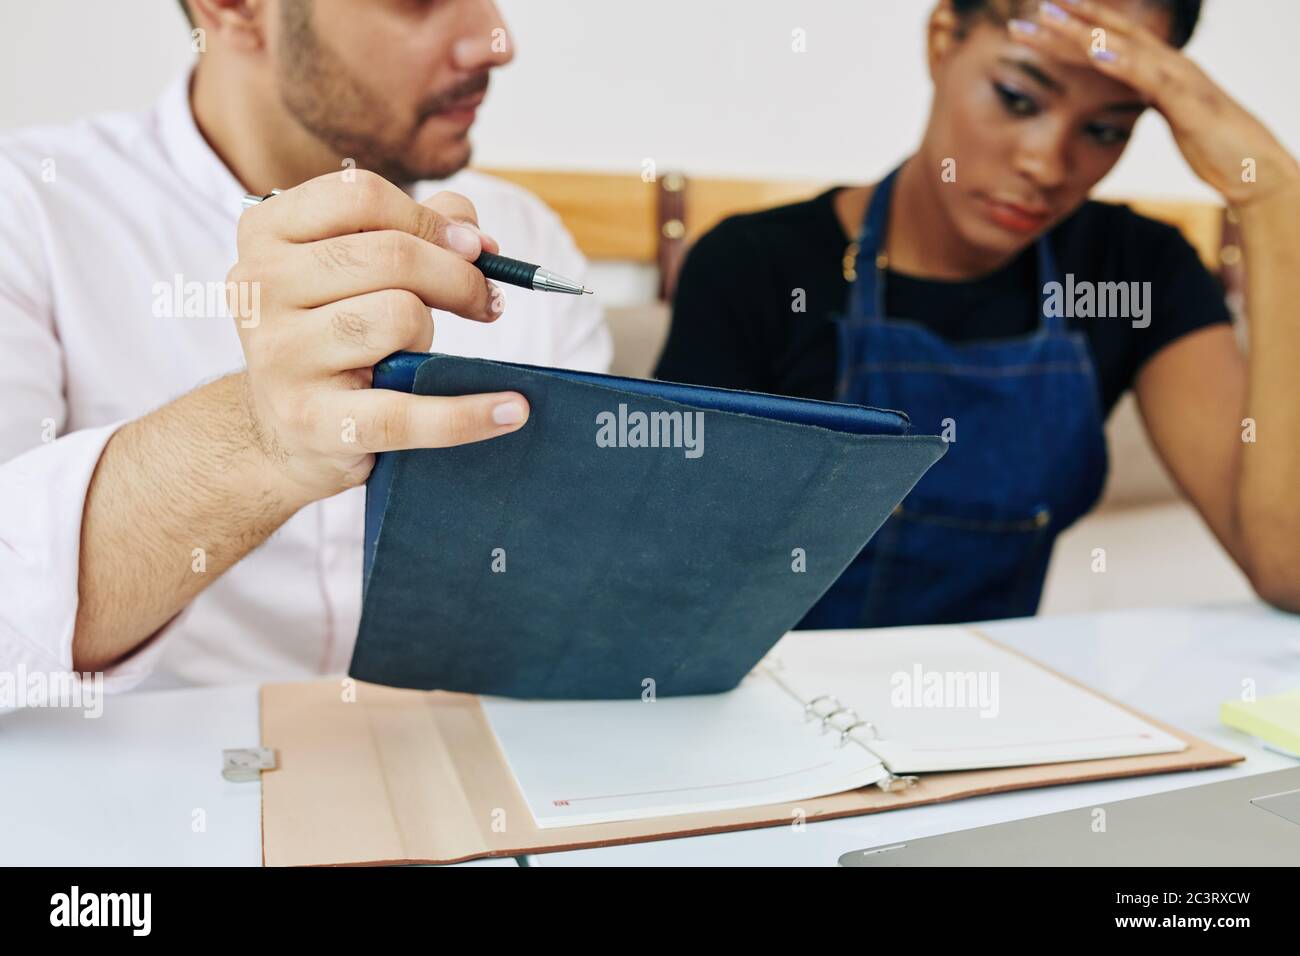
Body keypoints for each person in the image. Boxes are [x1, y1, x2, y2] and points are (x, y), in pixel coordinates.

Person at [0, 0, 610, 695]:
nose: (493, 43)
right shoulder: (27, 212)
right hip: (148, 783)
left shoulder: (523, 230)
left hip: (471, 763)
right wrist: (260, 435)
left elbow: (574, 579)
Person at [657, 0, 1300, 628]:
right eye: (1018, 97)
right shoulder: (755, 265)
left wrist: (1272, 191)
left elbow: (1287, 567)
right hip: (762, 710)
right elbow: (656, 569)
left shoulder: (1135, 272)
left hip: (998, 722)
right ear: (944, 40)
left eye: (1105, 130)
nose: (1045, 165)